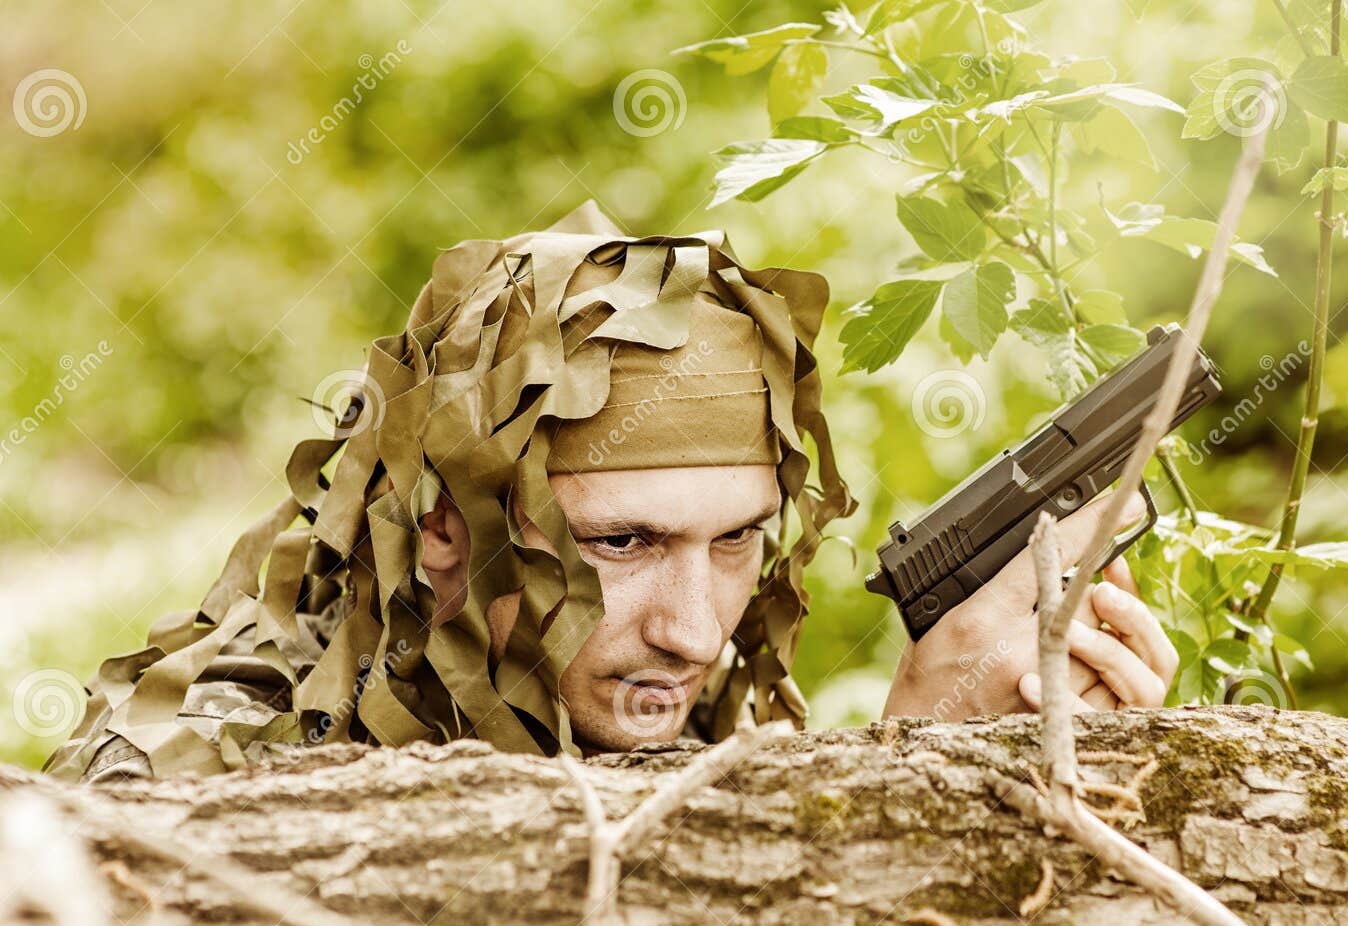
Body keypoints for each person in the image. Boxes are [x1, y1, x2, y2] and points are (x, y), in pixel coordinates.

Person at [46, 200, 1176, 783]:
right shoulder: (196, 764)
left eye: (736, 541)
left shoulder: (645, 718)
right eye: (623, 544)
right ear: (449, 531)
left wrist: (957, 757)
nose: (691, 634)